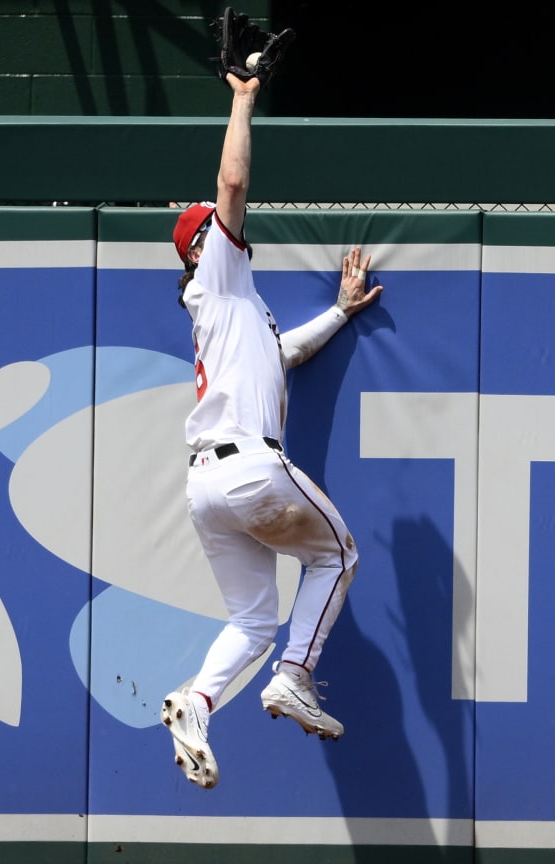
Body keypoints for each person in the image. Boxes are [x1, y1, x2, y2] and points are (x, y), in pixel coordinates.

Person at [160, 66, 383, 790]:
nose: (228, 229)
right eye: (214, 232)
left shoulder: (237, 315)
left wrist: (341, 312)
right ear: (206, 247)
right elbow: (230, 188)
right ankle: (294, 675)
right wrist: (242, 101)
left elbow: (285, 353)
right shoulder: (217, 277)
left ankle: (196, 701)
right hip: (252, 471)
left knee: (253, 621)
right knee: (338, 556)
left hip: (205, 489)